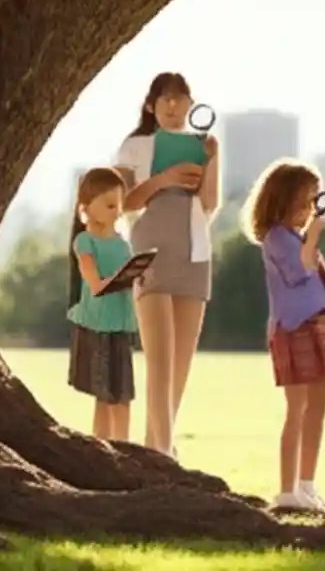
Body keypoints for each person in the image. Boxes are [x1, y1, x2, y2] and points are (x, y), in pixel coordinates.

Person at [114, 72, 219, 459]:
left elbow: (209, 204)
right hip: (149, 252)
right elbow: (123, 202)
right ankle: (163, 452)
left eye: (180, 99)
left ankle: (157, 448)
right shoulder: (136, 146)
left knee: (180, 366)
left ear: (192, 104)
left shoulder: (202, 144)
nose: (174, 107)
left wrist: (210, 159)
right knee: (159, 360)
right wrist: (164, 179)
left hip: (194, 252)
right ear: (151, 106)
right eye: (166, 100)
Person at [244, 160, 325, 511]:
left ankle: (307, 484)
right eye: (304, 202)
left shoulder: (298, 238)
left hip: (315, 325)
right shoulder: (277, 238)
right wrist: (314, 236)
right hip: (293, 328)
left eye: (313, 202)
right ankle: (287, 489)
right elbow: (299, 272)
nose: (309, 210)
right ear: (282, 200)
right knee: (297, 408)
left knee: (318, 406)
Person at [66, 167, 138, 442]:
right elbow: (94, 284)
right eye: (109, 205)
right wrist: (119, 279)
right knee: (104, 394)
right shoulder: (84, 241)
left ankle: (123, 446)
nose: (115, 212)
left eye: (118, 206)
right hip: (98, 324)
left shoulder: (122, 243)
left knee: (122, 394)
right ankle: (103, 444)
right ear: (87, 206)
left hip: (119, 322)